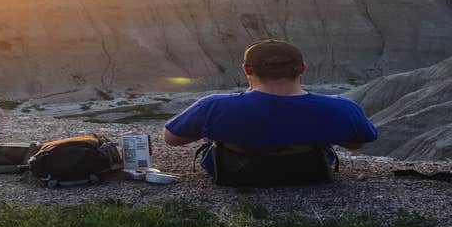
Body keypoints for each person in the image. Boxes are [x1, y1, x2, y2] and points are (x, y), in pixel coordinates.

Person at [162, 39, 378, 178]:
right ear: (303, 68)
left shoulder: (214, 105)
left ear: (246, 69)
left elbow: (172, 138)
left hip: (235, 176)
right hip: (310, 175)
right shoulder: (342, 107)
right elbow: (358, 143)